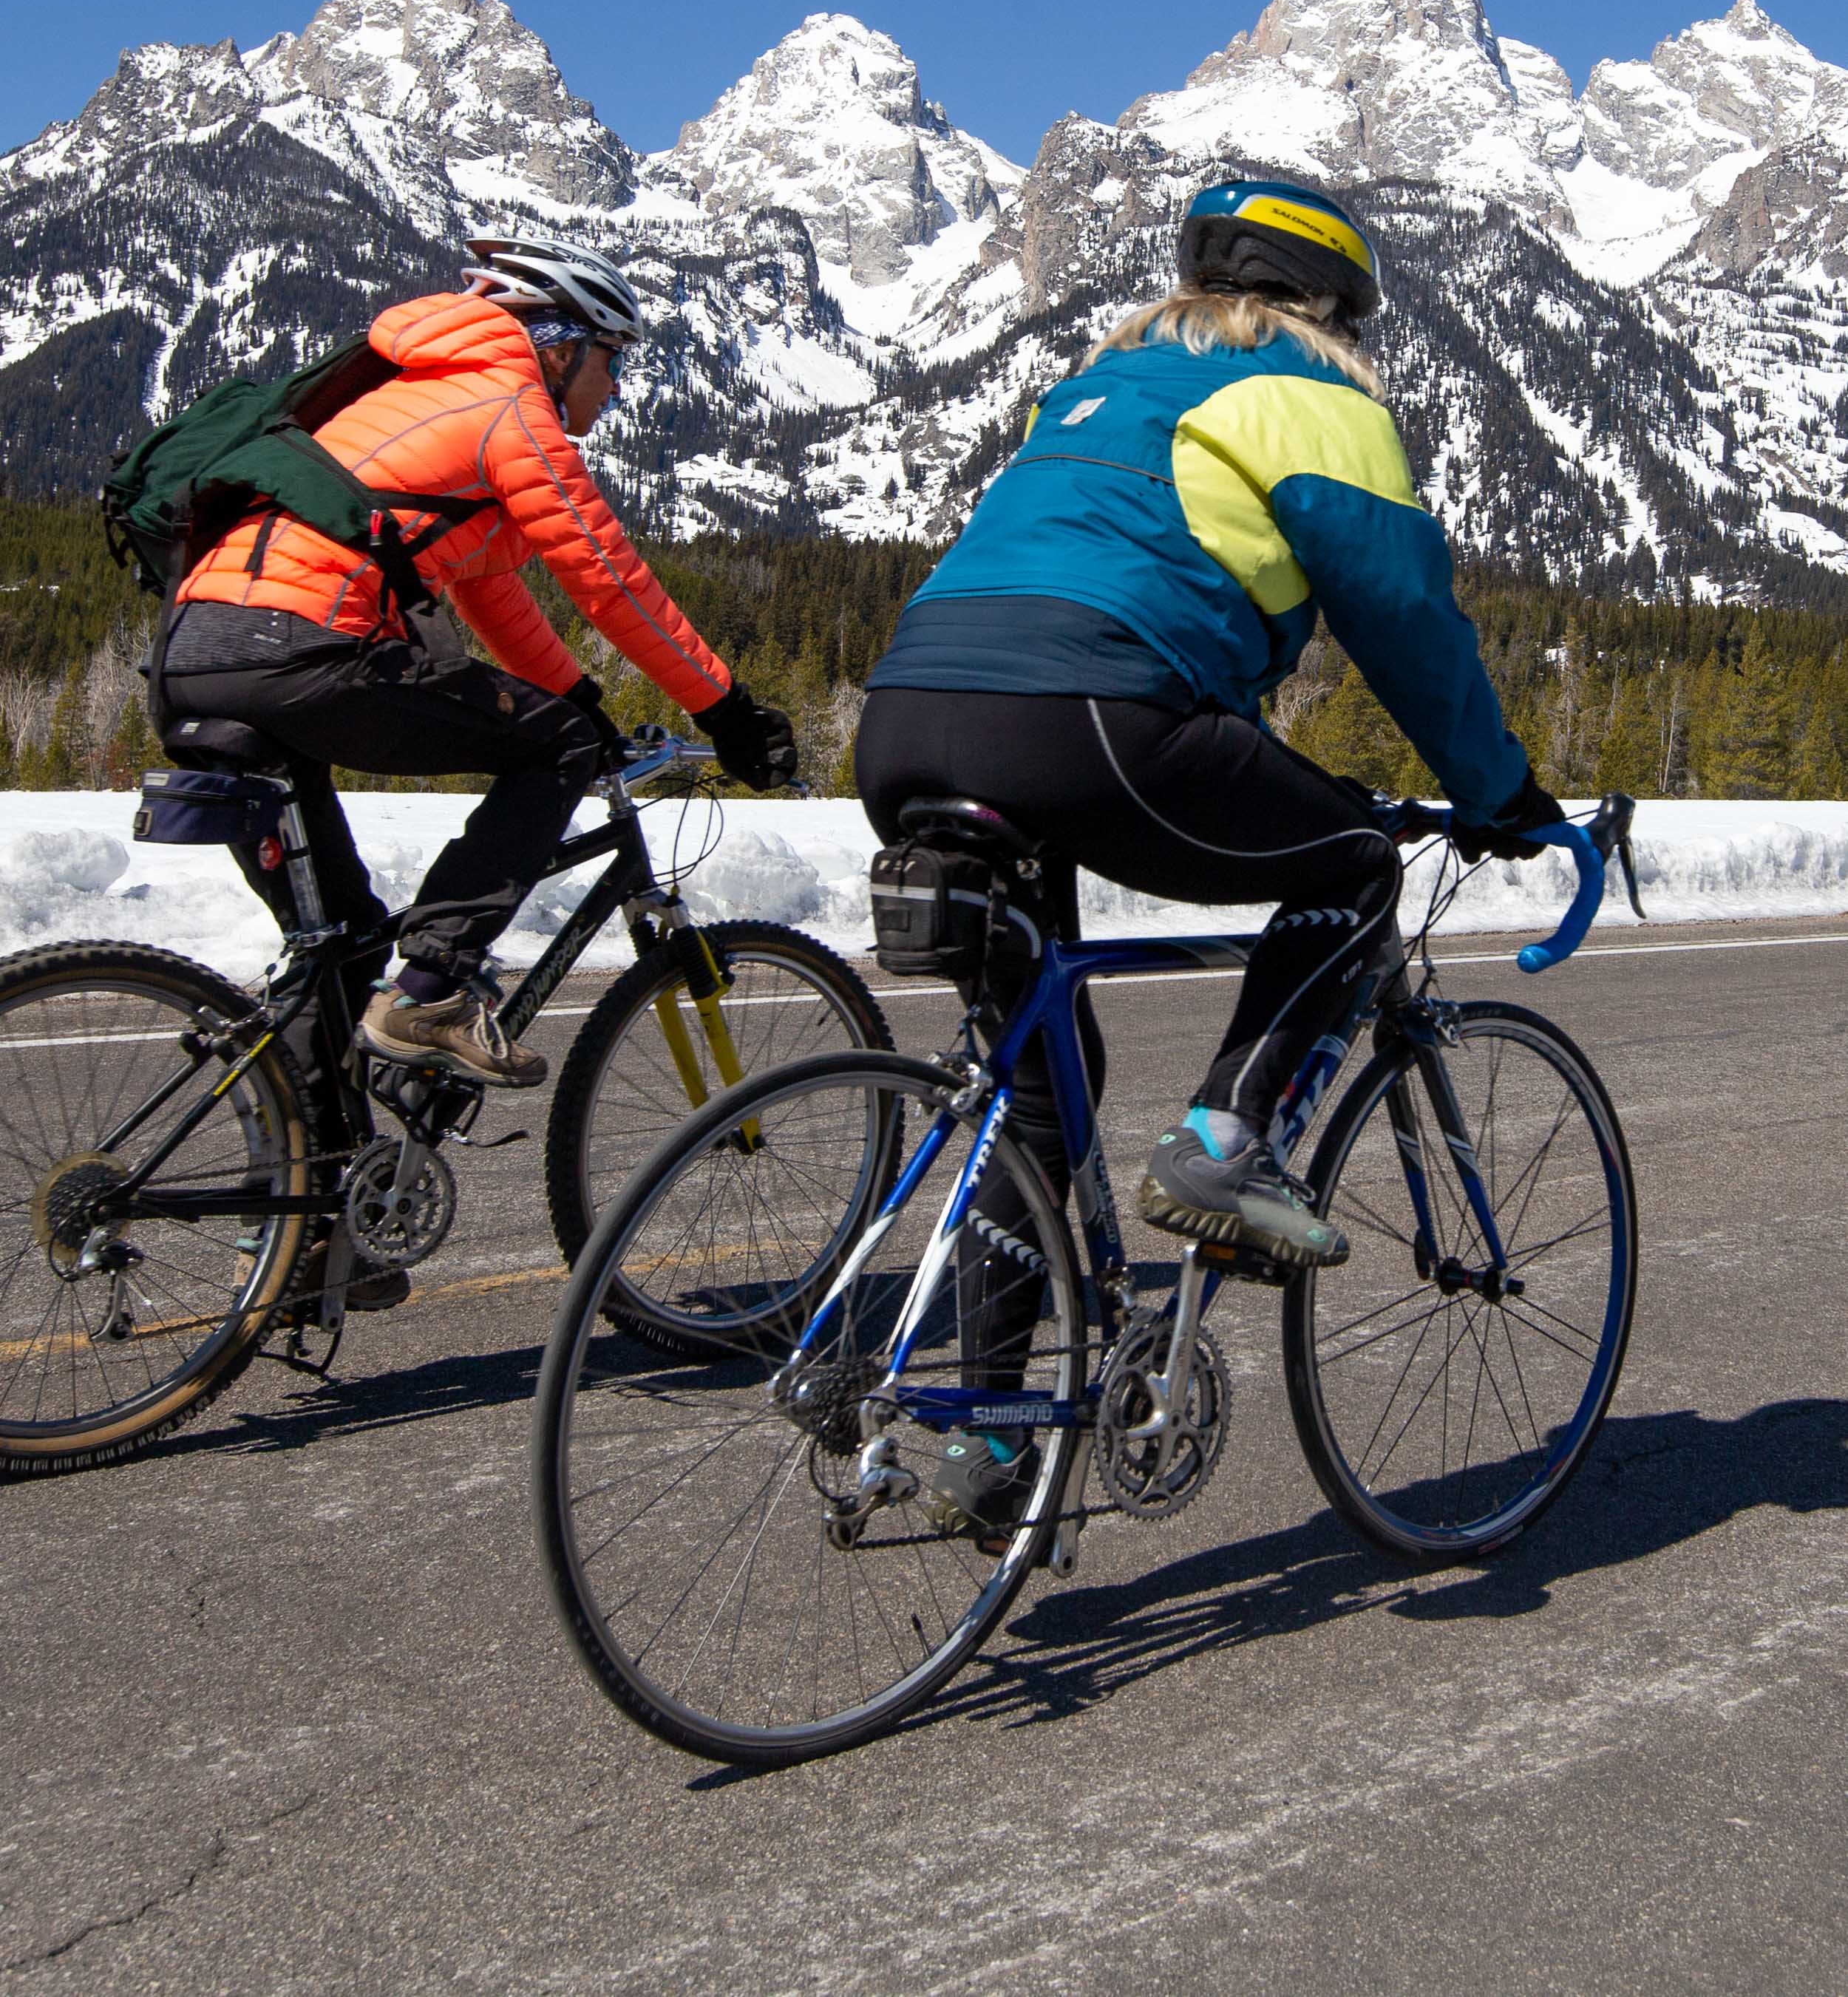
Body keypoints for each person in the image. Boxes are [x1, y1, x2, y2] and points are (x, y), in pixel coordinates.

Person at [856, 178, 1557, 1539]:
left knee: (1037, 1083)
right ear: (1340, 312)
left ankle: (986, 1433)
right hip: (1092, 719)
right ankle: (1226, 1145)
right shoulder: (1317, 399)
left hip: (905, 721)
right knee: (1353, 861)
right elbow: (1407, 619)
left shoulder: (1104, 381)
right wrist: (1502, 791)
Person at [162, 234, 796, 1101]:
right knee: (557, 750)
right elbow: (609, 581)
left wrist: (578, 697)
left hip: (193, 656)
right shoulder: (508, 406)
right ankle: (433, 989)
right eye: (611, 359)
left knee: (341, 942)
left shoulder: (419, 400)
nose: (613, 387)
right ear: (560, 345)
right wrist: (725, 710)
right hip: (303, 650)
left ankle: (307, 1200)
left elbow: (492, 590)